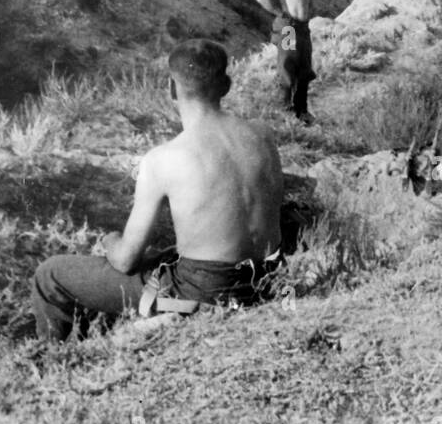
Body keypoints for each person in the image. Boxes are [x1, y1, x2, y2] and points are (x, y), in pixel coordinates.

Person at [31, 40, 284, 341]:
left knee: (50, 274)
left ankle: (53, 362)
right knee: (168, 253)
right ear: (226, 86)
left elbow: (126, 260)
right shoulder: (263, 135)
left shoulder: (163, 159)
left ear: (171, 89)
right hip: (267, 280)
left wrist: (109, 240)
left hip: (202, 292)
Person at [256, 0, 316, 121]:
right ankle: (285, 113)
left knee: (305, 69)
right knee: (288, 68)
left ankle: (302, 110)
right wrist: (279, 12)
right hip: (288, 27)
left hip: (303, 26)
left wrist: (311, 5)